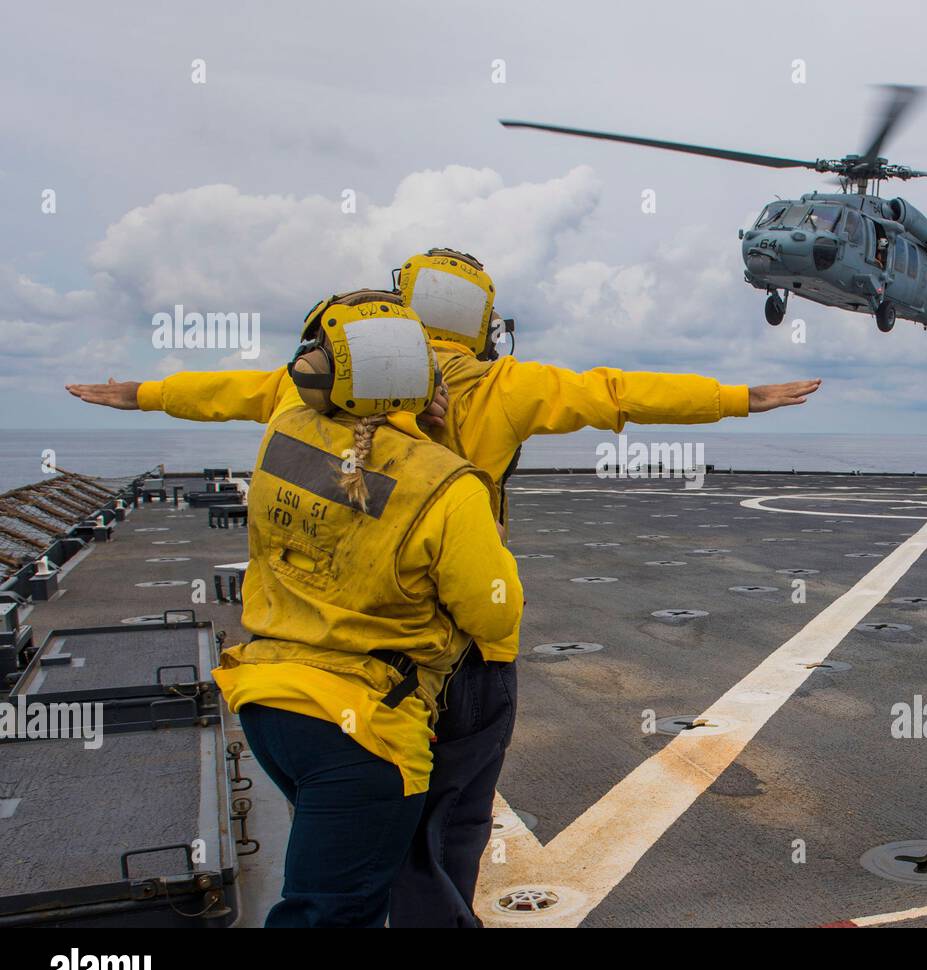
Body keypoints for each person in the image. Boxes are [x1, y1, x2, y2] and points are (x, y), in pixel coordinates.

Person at [67, 248, 821, 927]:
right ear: (485, 321)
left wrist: (143, 392)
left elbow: (228, 391)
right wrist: (737, 397)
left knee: (363, 824)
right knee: (454, 815)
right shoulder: (502, 389)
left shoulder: (309, 399)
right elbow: (615, 392)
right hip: (450, 644)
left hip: (311, 657)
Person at [207, 290, 521, 926]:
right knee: (330, 912)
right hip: (365, 735)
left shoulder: (284, 432)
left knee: (341, 892)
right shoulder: (447, 484)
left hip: (268, 703)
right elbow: (496, 611)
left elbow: (355, 461)